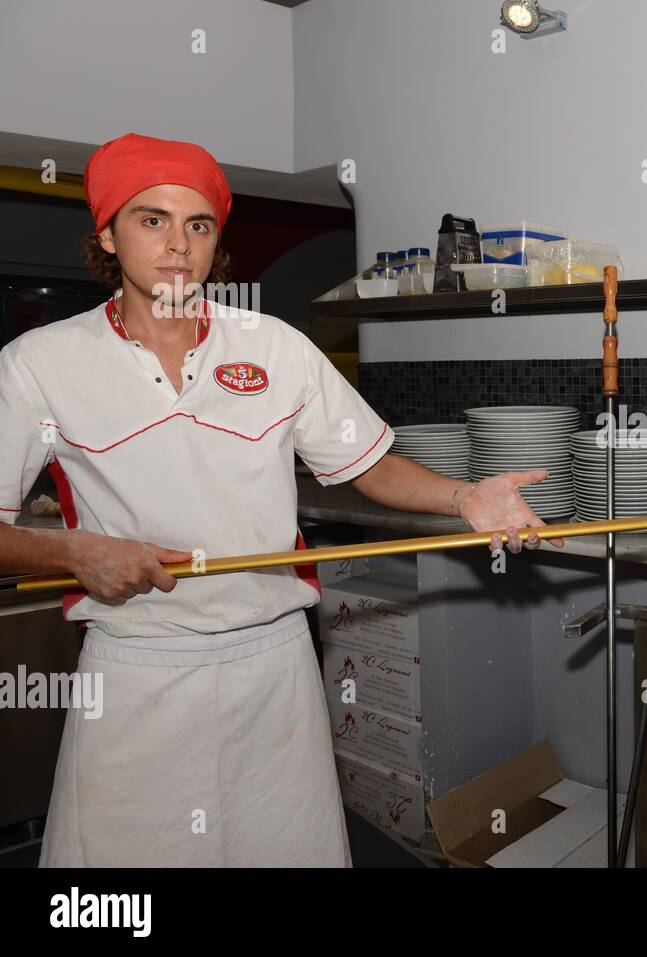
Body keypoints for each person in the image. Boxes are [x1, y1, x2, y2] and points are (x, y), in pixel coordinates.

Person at [0, 132, 564, 867]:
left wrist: (464, 497)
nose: (178, 245)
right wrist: (74, 550)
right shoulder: (41, 363)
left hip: (272, 667)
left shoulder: (275, 346)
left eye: (197, 225)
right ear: (107, 233)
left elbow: (370, 465)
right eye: (152, 219)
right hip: (137, 668)